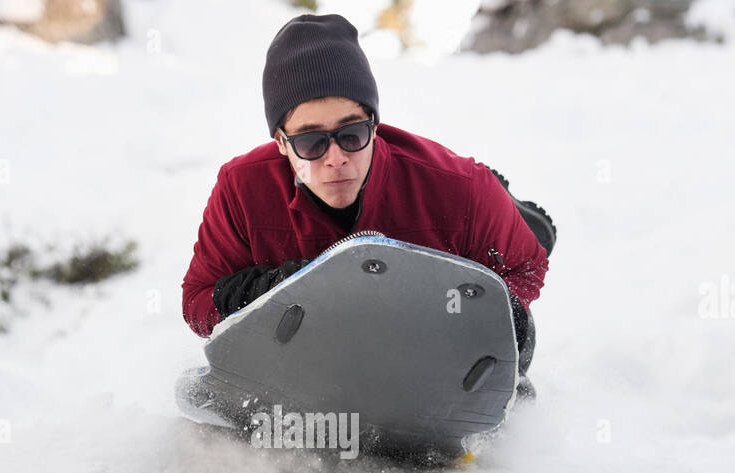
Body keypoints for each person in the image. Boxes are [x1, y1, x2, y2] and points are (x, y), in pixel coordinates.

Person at [180, 13, 554, 393]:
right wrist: (271, 291)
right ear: (280, 143)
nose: (336, 158)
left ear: (374, 125)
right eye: (311, 142)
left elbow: (526, 265)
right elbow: (196, 301)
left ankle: (515, 215)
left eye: (352, 134)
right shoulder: (241, 188)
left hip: (433, 327)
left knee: (517, 331)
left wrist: (467, 314)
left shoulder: (459, 185)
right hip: (313, 347)